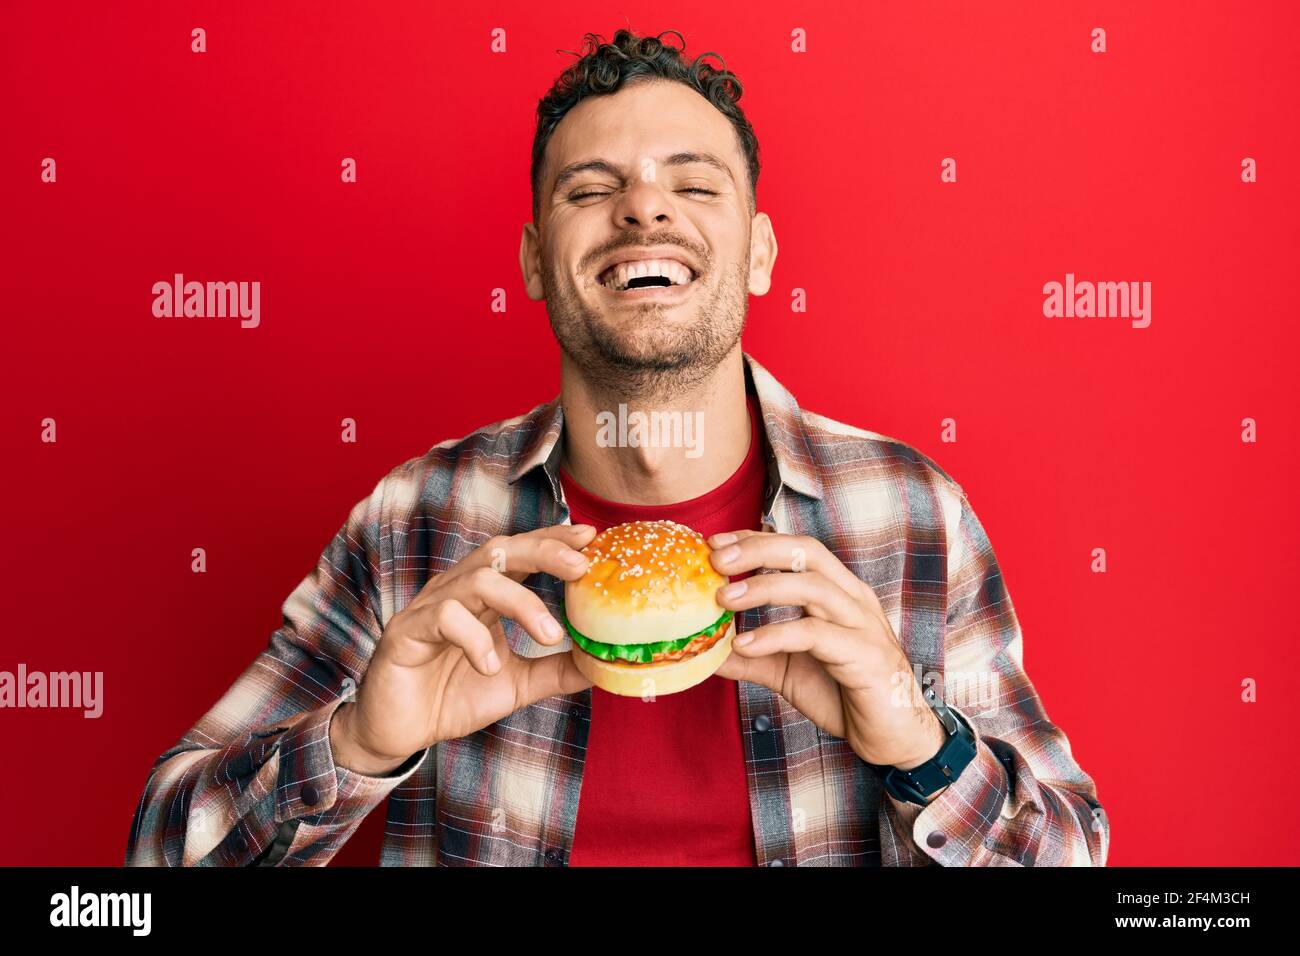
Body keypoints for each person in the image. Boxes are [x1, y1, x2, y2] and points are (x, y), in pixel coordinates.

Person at [126, 28, 1108, 867]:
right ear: (532, 263)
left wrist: (917, 740)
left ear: (760, 253)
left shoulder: (909, 515)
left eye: (694, 183)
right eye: (591, 190)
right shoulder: (413, 521)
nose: (645, 208)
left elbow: (1071, 852)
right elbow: (155, 856)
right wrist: (358, 742)